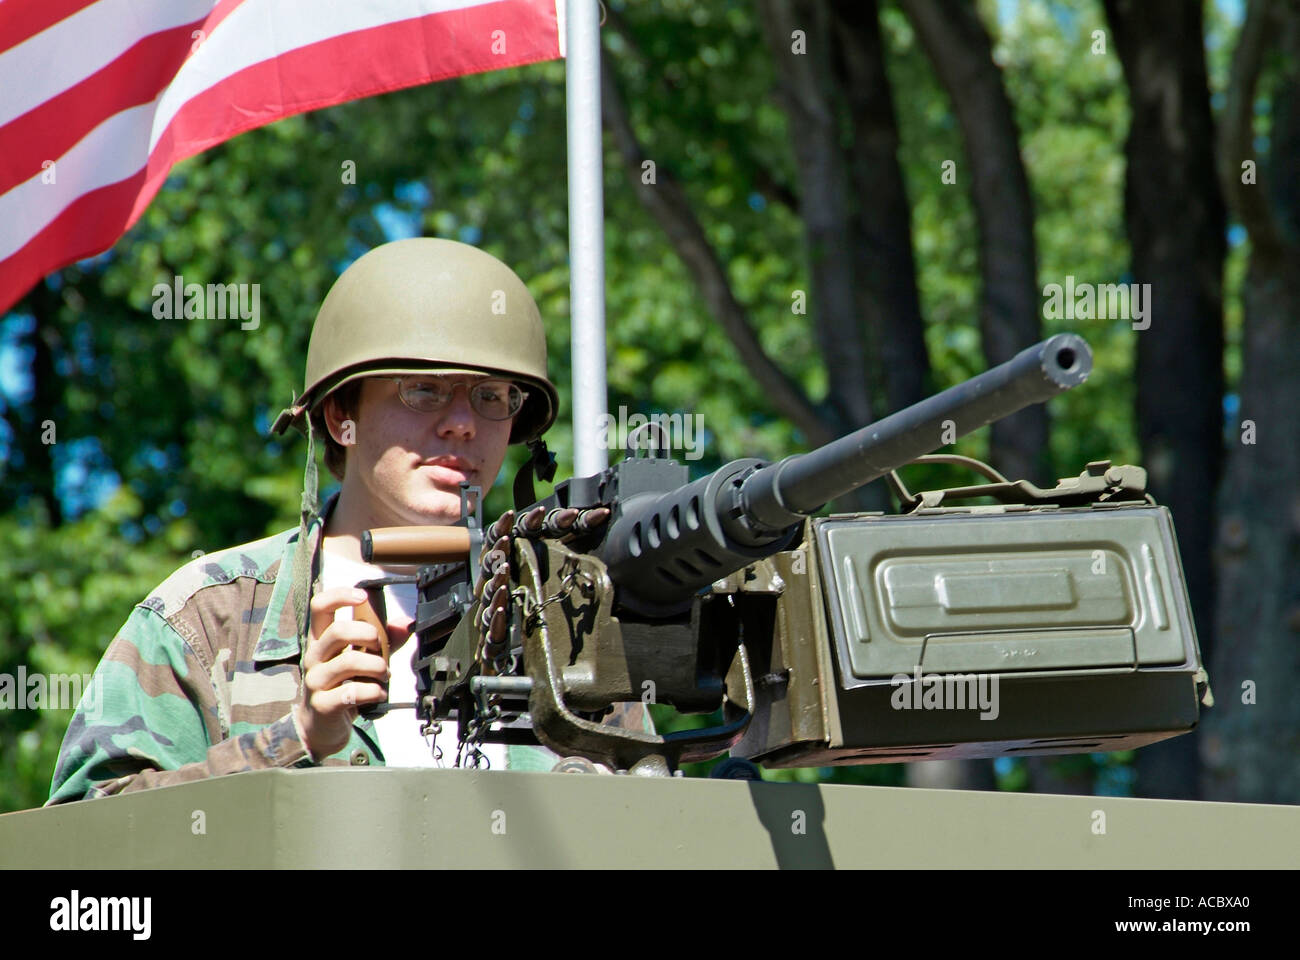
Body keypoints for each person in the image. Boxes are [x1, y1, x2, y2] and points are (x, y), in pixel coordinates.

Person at [47, 238, 646, 804]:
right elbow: (75, 855)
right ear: (340, 415)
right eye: (424, 391)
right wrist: (296, 736)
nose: (463, 423)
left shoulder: (568, 616)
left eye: (492, 396)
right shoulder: (207, 620)